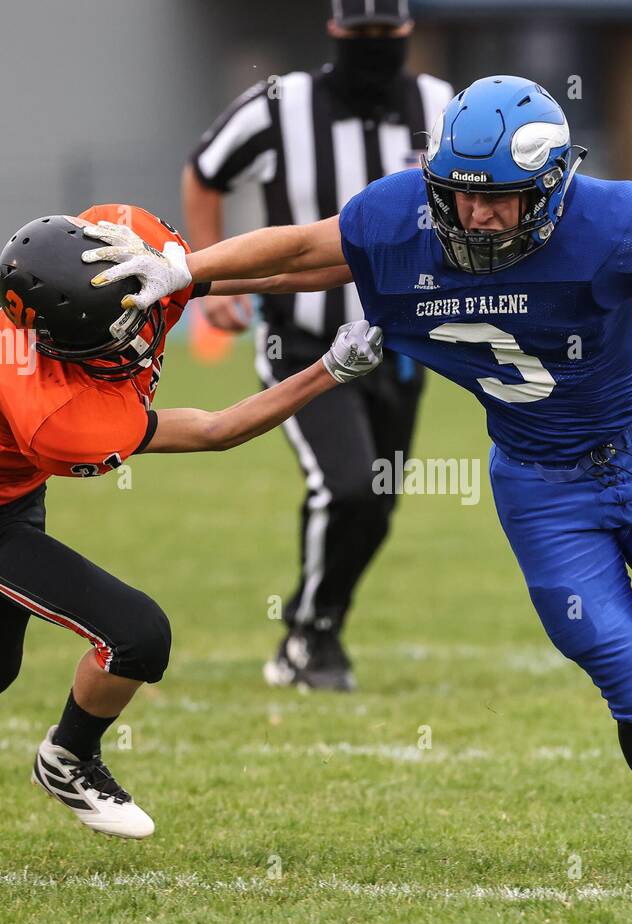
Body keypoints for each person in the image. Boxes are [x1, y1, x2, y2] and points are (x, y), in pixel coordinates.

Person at [90, 76, 632, 882]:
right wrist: (186, 270)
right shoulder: (398, 221)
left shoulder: (615, 225)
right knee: (624, 677)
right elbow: (297, 255)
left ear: (554, 187)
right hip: (541, 489)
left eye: (500, 199)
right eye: (460, 196)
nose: (475, 217)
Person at [0, 204, 383, 860]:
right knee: (138, 636)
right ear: (59, 343)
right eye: (112, 337)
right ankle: (69, 757)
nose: (135, 340)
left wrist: (371, 269)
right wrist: (327, 372)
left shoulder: (121, 263)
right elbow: (216, 431)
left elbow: (264, 270)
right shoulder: (55, 413)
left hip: (3, 487)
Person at [183, 0, 452, 691]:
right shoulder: (281, 104)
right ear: (334, 32)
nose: (372, 46)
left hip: (400, 342)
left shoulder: (441, 104)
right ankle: (309, 637)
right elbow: (206, 170)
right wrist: (211, 275)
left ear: (405, 33)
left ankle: (318, 627)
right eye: (359, 34)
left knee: (379, 502)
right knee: (348, 485)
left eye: (383, 34)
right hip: (303, 336)